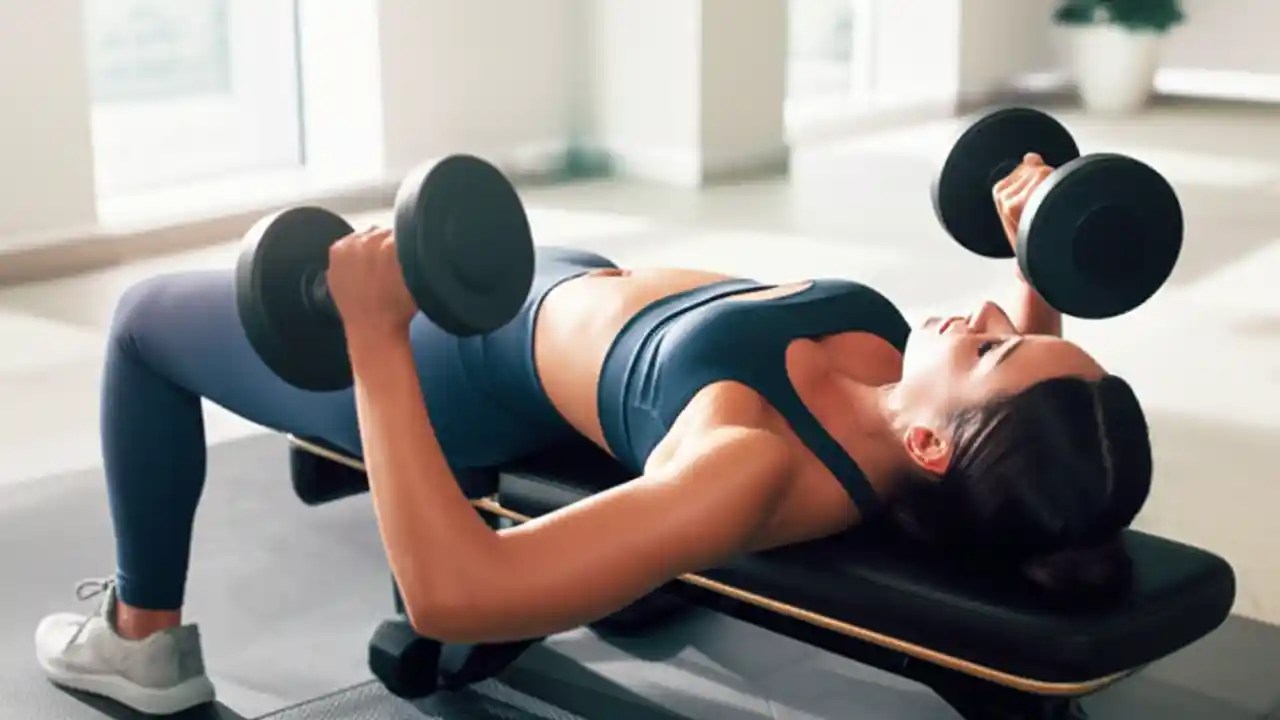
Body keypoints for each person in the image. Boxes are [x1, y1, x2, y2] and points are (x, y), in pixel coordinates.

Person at [34, 153, 1151, 715]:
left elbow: (453, 595)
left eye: (993, 347)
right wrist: (1034, 254)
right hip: (545, 283)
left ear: (930, 450)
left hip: (449, 364)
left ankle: (142, 642)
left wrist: (375, 335)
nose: (990, 316)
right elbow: (1007, 435)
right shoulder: (912, 393)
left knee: (140, 323)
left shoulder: (750, 461)